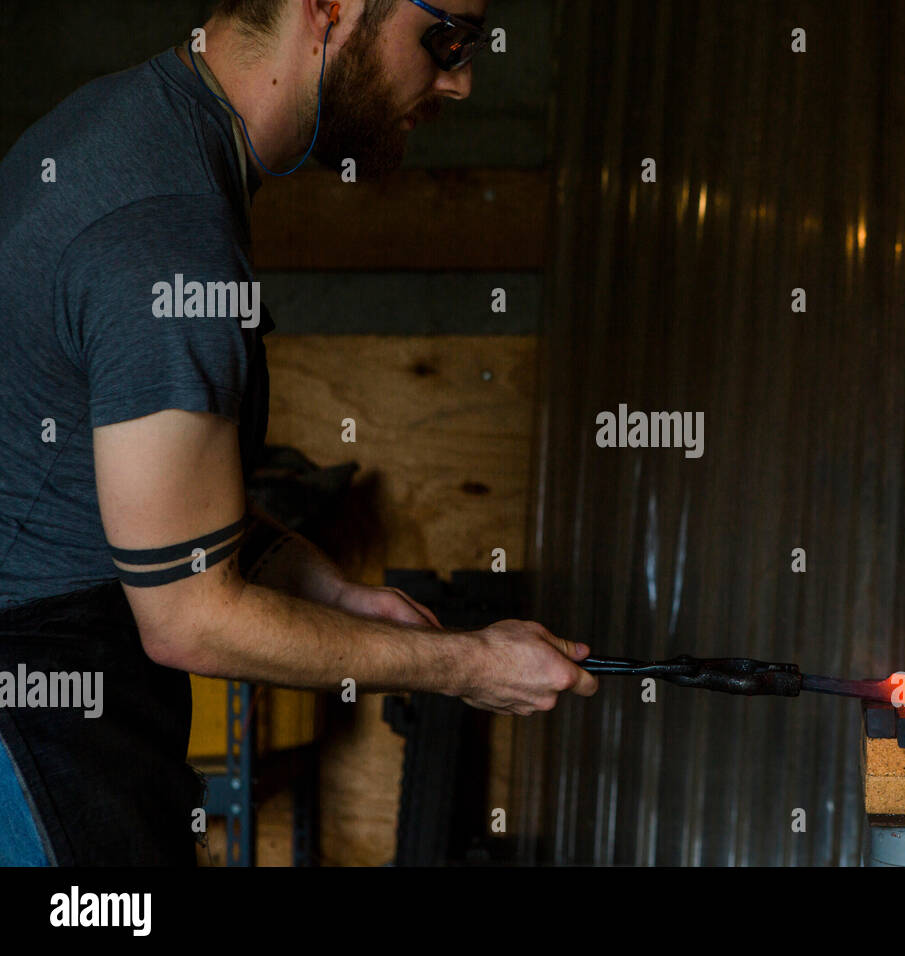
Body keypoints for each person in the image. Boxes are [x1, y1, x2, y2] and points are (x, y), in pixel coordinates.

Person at [0, 0, 597, 866]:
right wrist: (468, 668)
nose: (462, 78)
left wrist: (339, 596)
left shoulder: (128, 125)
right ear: (332, 8)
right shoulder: (163, 228)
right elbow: (188, 618)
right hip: (38, 742)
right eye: (448, 36)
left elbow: (153, 514)